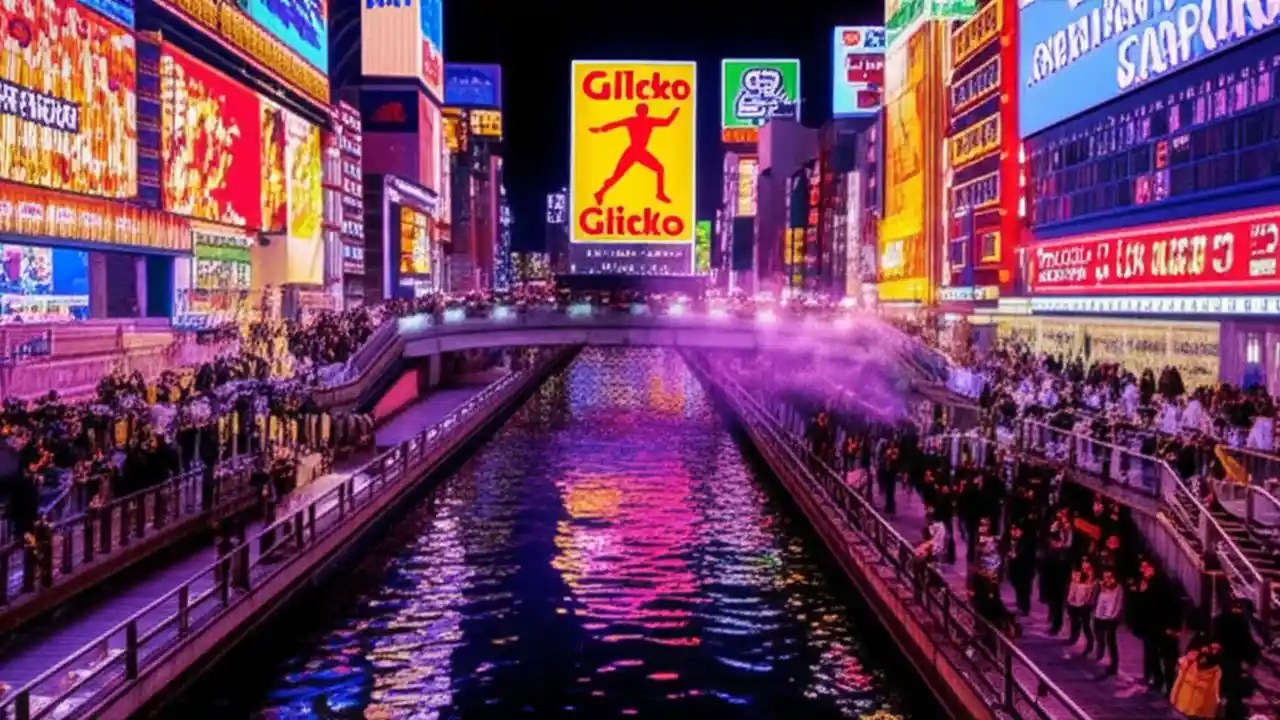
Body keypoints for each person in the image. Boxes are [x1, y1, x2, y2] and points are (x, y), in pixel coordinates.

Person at [1170, 643, 1222, 719]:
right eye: (1213, 648)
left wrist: (1209, 714)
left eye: (1217, 649)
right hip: (1181, 706)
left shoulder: (1215, 672)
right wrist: (1173, 698)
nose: (1215, 651)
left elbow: (1213, 693)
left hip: (1197, 711)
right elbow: (1178, 681)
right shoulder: (1188, 662)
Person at [1092, 569, 1124, 677]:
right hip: (1099, 616)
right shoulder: (1100, 586)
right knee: (1099, 637)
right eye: (1105, 577)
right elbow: (1094, 598)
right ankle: (1099, 657)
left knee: (1111, 641)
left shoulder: (1118, 588)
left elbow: (1119, 603)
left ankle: (1113, 665)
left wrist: (1115, 615)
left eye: (1110, 577)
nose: (1108, 579)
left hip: (1111, 618)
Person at [1066, 558, 1098, 652]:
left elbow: (1092, 591)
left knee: (1086, 625)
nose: (1084, 564)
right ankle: (1073, 637)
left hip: (1086, 605)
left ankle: (1090, 645)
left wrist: (1088, 602)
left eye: (1087, 562)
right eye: (1083, 562)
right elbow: (1073, 588)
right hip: (1075, 603)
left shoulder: (1093, 577)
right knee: (1074, 622)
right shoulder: (1078, 574)